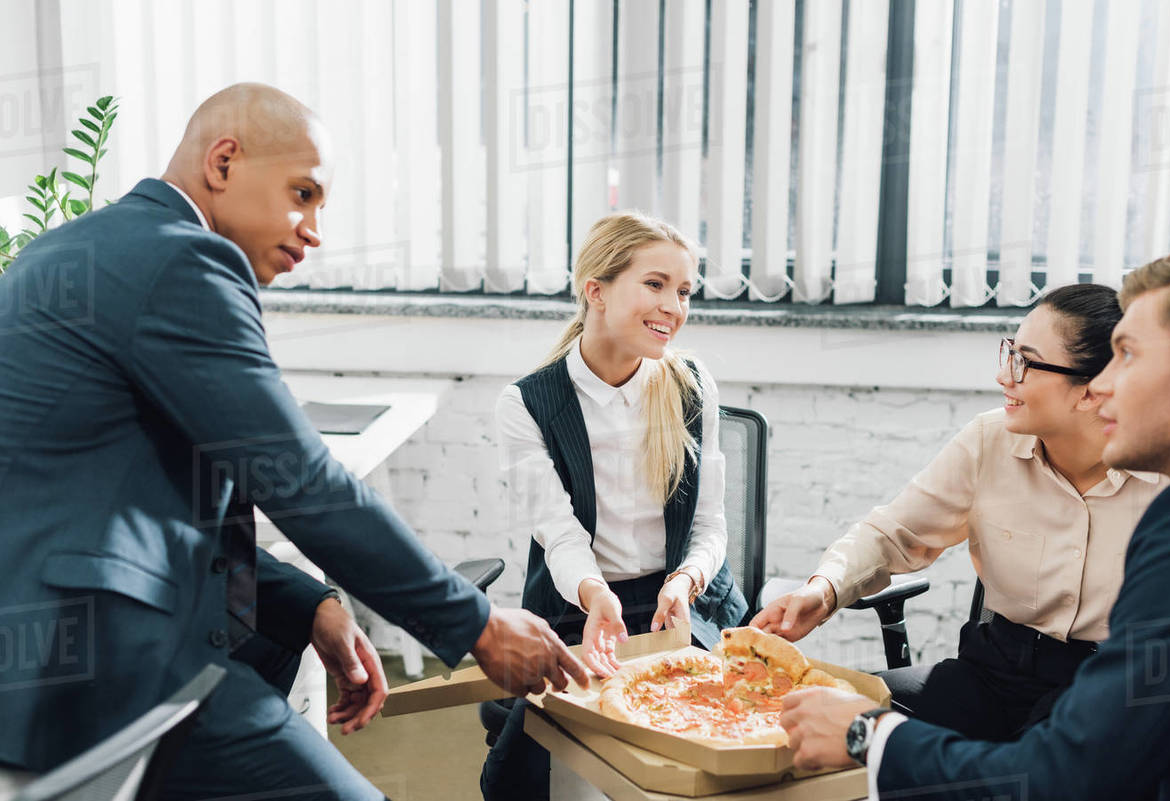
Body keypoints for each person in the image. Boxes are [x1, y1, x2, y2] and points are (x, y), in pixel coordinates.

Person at [0, 83, 587, 801]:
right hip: (111, 669)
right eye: (302, 194)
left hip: (40, 644)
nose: (313, 229)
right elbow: (302, 480)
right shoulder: (183, 261)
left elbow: (130, 504)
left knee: (276, 648)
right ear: (223, 162)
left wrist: (313, 605)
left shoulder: (68, 252)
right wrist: (479, 625)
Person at [780, 252, 1170, 801]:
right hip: (994, 670)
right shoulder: (990, 440)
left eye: (1128, 356)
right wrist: (827, 587)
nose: (1106, 386)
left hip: (1090, 688)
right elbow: (895, 531)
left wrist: (867, 734)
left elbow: (1060, 775)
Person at [480, 211, 749, 800]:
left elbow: (709, 524)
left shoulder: (691, 384)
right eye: (655, 285)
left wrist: (687, 580)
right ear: (595, 291)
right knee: (517, 777)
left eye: (683, 292)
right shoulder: (526, 403)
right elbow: (560, 534)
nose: (674, 308)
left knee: (704, 749)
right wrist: (596, 593)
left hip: (683, 601)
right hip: (582, 604)